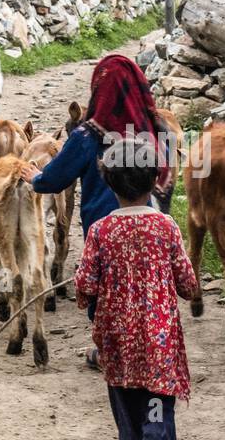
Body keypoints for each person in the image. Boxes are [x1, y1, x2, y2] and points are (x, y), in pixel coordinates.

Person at [20, 54, 174, 367]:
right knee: (148, 284)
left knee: (107, 289)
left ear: (99, 90)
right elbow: (167, 175)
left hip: (104, 225)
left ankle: (110, 352)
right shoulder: (156, 129)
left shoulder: (89, 135)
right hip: (152, 222)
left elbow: (57, 177)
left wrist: (35, 179)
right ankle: (151, 347)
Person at [75, 139, 199, 440]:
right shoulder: (166, 227)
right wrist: (188, 291)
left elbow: (86, 284)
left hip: (115, 330)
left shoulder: (100, 231)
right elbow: (187, 283)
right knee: (158, 391)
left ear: (110, 183)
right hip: (159, 331)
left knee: (123, 390)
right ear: (154, 181)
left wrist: (84, 296)